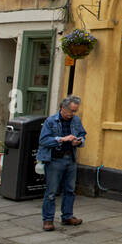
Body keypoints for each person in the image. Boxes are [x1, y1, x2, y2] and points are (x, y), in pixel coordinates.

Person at [36, 95, 87, 231]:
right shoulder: (51, 121)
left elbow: (82, 134)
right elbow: (43, 140)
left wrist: (79, 141)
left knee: (70, 190)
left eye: (75, 111)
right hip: (54, 160)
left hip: (70, 159)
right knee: (51, 191)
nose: (72, 114)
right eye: (71, 111)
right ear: (63, 108)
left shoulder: (75, 120)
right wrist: (61, 139)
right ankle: (48, 220)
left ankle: (67, 216)